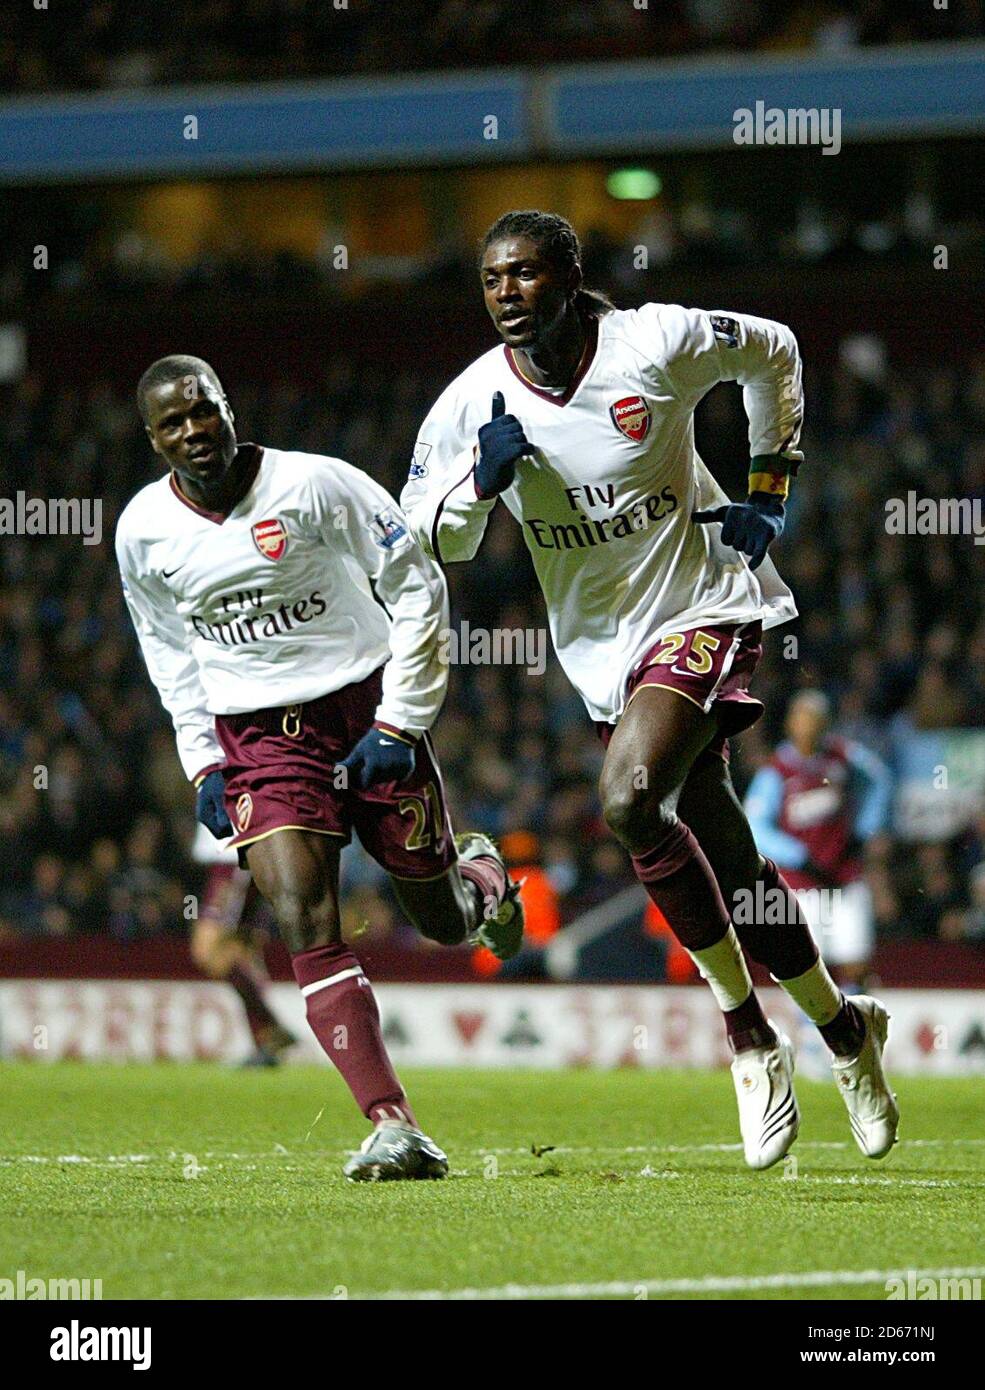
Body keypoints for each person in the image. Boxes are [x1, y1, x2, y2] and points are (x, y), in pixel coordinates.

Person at [401, 209, 899, 1168]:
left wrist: (768, 484)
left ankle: (748, 1039)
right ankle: (844, 1033)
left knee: (628, 800)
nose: (508, 293)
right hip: (600, 655)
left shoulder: (651, 342)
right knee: (727, 852)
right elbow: (424, 538)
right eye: (492, 279)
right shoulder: (469, 403)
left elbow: (776, 351)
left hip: (704, 605)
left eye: (527, 274)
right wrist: (473, 488)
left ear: (569, 275)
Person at [116, 354, 523, 1181]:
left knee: (442, 923)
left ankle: (480, 881)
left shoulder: (318, 485)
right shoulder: (141, 532)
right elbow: (166, 650)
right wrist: (202, 762)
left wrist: (402, 723)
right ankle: (393, 1122)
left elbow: (414, 585)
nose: (194, 430)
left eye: (204, 410)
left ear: (228, 408)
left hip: (363, 709)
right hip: (260, 741)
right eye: (173, 422)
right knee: (301, 915)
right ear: (152, 439)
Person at [744, 690, 893, 992]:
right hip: (801, 883)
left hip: (844, 877)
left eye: (815, 718)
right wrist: (799, 856)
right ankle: (815, 1033)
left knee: (856, 961)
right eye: (802, 718)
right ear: (790, 724)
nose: (809, 726)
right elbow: (755, 827)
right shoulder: (777, 771)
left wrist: (865, 829)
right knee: (810, 965)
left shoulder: (843, 756)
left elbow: (880, 779)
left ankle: (855, 1026)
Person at [188, 822, 296, 1066]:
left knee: (207, 951)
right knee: (241, 953)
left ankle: (272, 1027)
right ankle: (265, 1045)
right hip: (238, 854)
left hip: (233, 856)